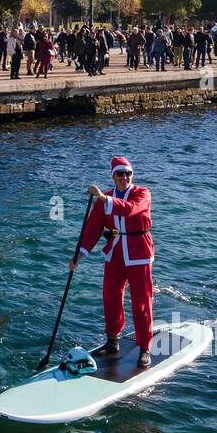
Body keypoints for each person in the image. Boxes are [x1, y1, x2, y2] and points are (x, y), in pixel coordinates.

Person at [70, 156, 155, 365]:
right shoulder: (104, 198)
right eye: (120, 174)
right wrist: (78, 256)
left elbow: (130, 209)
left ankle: (145, 347)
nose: (125, 177)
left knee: (141, 303)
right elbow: (93, 228)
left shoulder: (142, 194)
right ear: (113, 176)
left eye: (128, 173)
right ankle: (112, 340)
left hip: (139, 254)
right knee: (110, 296)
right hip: (115, 253)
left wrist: (103, 199)